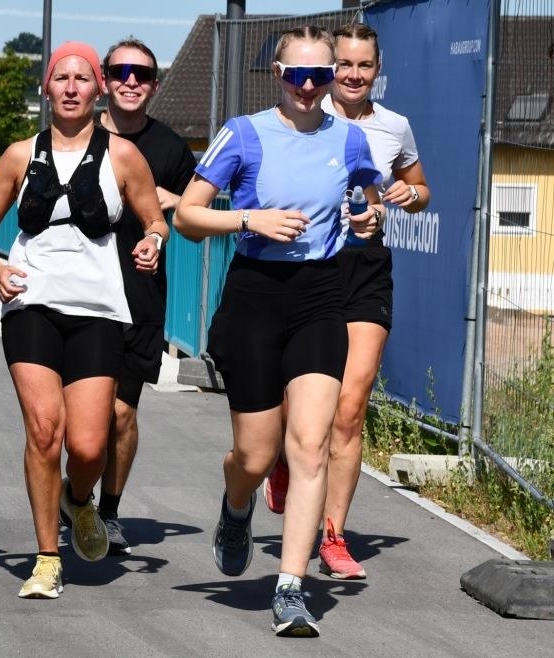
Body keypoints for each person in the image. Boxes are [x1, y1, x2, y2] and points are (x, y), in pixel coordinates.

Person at [174, 26, 382, 637]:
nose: (311, 86)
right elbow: (186, 215)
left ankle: (290, 588)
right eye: (299, 75)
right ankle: (236, 505)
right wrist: (249, 218)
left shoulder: (348, 137)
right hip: (255, 296)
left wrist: (368, 221)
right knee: (257, 455)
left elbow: (369, 205)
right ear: (278, 75)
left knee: (311, 444)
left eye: (321, 76)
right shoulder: (243, 133)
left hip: (320, 295)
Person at [0, 41, 169, 600]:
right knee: (43, 430)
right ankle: (46, 558)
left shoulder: (123, 155)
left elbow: (155, 218)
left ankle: (77, 500)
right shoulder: (18, 155)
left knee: (87, 447)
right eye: (62, 78)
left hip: (99, 310)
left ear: (97, 88)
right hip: (30, 302)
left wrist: (153, 241)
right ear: (47, 87)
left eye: (83, 78)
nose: (73, 87)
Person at [262, 23, 431, 582]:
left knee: (351, 406)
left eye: (365, 66)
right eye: (345, 65)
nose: (354, 75)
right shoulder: (309, 114)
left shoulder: (394, 127)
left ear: (377, 70)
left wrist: (407, 196)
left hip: (367, 269)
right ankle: (286, 461)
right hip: (312, 265)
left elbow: (418, 187)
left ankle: (332, 535)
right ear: (330, 68)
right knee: (301, 401)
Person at [93, 38, 197, 555]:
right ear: (104, 79)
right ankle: (72, 495)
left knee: (120, 415)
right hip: (80, 297)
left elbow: (199, 205)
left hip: (140, 296)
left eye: (142, 74)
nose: (131, 81)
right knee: (78, 419)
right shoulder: (77, 138)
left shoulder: (171, 149)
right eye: (121, 71)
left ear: (155, 84)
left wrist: (175, 202)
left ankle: (106, 510)